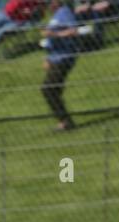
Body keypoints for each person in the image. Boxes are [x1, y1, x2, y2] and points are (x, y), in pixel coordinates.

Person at [41, 0, 81, 131]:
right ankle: (65, 120)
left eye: (48, 3)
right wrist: (47, 58)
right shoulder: (54, 16)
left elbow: (74, 30)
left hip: (65, 57)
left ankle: (65, 121)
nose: (46, 6)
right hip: (55, 58)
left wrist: (54, 34)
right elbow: (49, 40)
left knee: (48, 89)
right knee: (53, 90)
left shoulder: (64, 12)